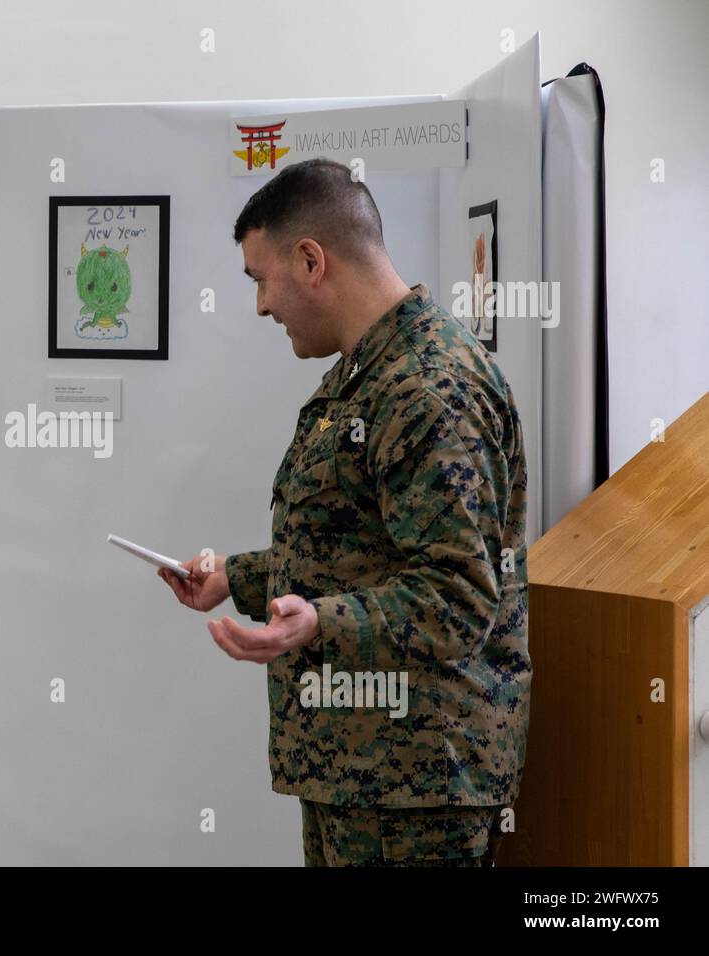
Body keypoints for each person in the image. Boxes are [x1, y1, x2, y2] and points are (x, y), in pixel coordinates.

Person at [160, 157, 530, 866]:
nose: (261, 306)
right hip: (361, 775)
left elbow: (458, 597)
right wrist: (234, 578)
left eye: (259, 280)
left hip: (418, 788)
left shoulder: (429, 387)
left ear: (310, 260)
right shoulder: (367, 371)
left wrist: (317, 623)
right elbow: (356, 549)